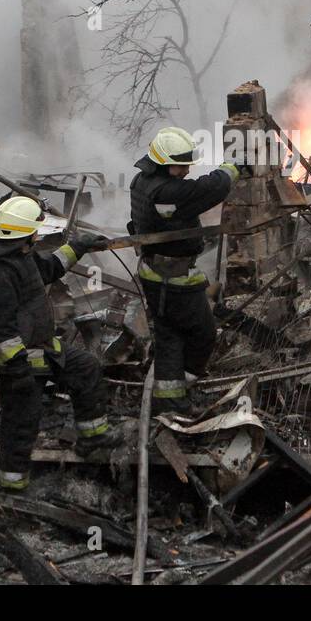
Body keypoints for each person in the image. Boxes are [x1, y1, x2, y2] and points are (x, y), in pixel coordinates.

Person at [0, 194, 118, 490]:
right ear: (25, 233)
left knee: (86, 367)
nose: (38, 235)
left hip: (43, 350)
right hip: (19, 363)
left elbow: (52, 267)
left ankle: (92, 438)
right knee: (21, 425)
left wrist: (80, 245)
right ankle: (12, 488)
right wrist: (18, 373)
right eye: (35, 230)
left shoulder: (21, 257)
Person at [129, 126, 240, 414]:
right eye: (182, 165)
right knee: (202, 333)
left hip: (156, 272)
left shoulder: (142, 181)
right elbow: (208, 189)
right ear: (165, 164)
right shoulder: (166, 192)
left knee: (169, 335)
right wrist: (235, 166)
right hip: (171, 279)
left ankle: (169, 399)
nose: (188, 169)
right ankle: (182, 387)